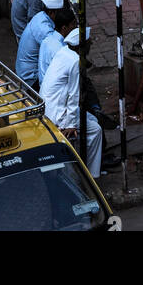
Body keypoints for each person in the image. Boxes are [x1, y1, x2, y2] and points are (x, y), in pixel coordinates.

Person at [40, 25, 102, 178]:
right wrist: (70, 124)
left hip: (48, 107)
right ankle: (91, 175)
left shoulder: (63, 52)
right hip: (57, 113)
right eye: (89, 42)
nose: (91, 45)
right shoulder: (75, 61)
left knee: (91, 119)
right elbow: (73, 95)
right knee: (95, 130)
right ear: (82, 45)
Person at [15, 0, 65, 88]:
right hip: (30, 77)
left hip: (24, 70)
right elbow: (57, 52)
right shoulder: (44, 29)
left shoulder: (41, 16)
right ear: (51, 12)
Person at [38, 4, 78, 82]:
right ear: (64, 28)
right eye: (73, 24)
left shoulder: (48, 39)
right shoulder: (60, 50)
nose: (75, 27)